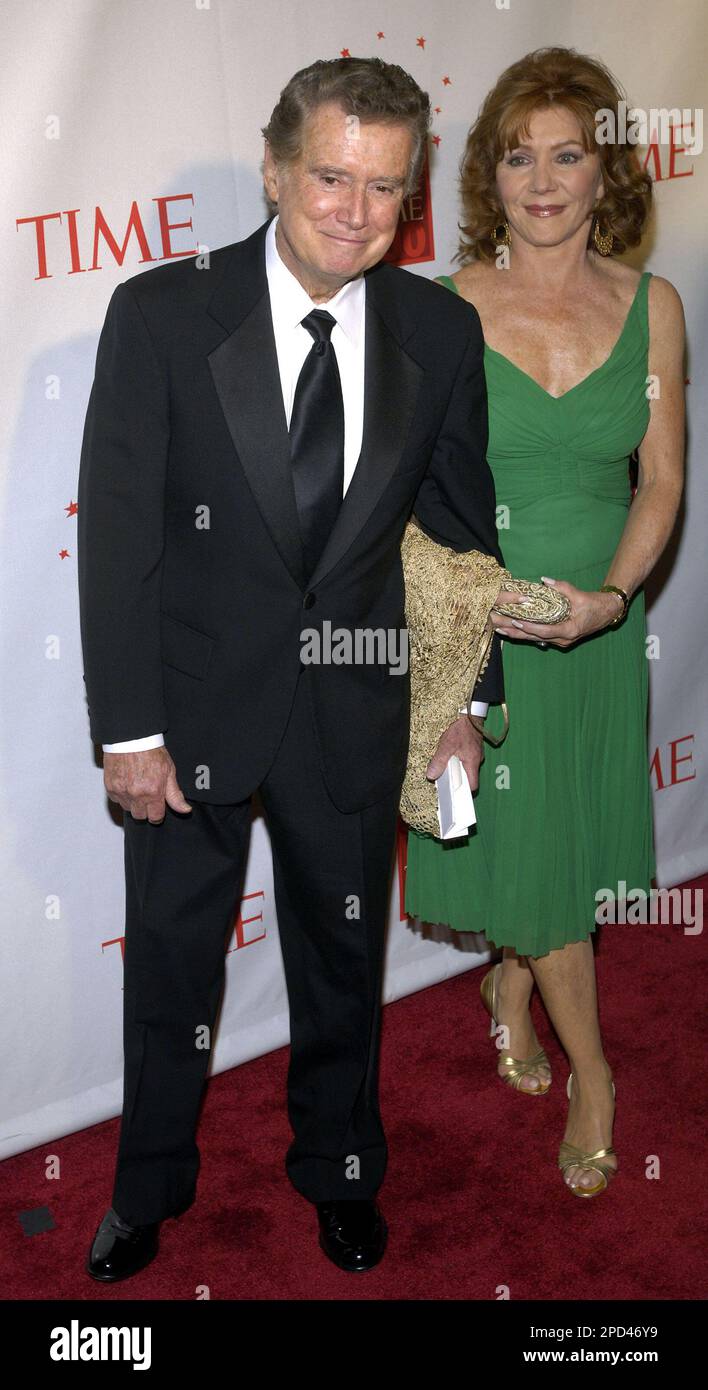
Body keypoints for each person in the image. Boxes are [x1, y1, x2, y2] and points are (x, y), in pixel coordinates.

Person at [78, 55, 507, 1280]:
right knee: (171, 966)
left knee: (341, 960)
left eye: (383, 186)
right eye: (329, 174)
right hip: (191, 710)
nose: (354, 210)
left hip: (355, 707)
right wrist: (128, 731)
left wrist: (469, 700)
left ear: (408, 194)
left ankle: (341, 1168)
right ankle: (147, 1188)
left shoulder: (439, 328)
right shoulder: (164, 314)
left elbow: (464, 534)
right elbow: (118, 539)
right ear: (275, 168)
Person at [405, 46, 685, 1196]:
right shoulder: (444, 308)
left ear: (602, 166)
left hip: (602, 634)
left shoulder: (654, 307)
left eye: (567, 152)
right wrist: (456, 628)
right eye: (518, 154)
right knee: (542, 865)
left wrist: (610, 600)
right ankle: (599, 1076)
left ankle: (510, 984)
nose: (543, 177)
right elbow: (408, 491)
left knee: (559, 859)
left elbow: (661, 480)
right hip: (490, 641)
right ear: (490, 175)